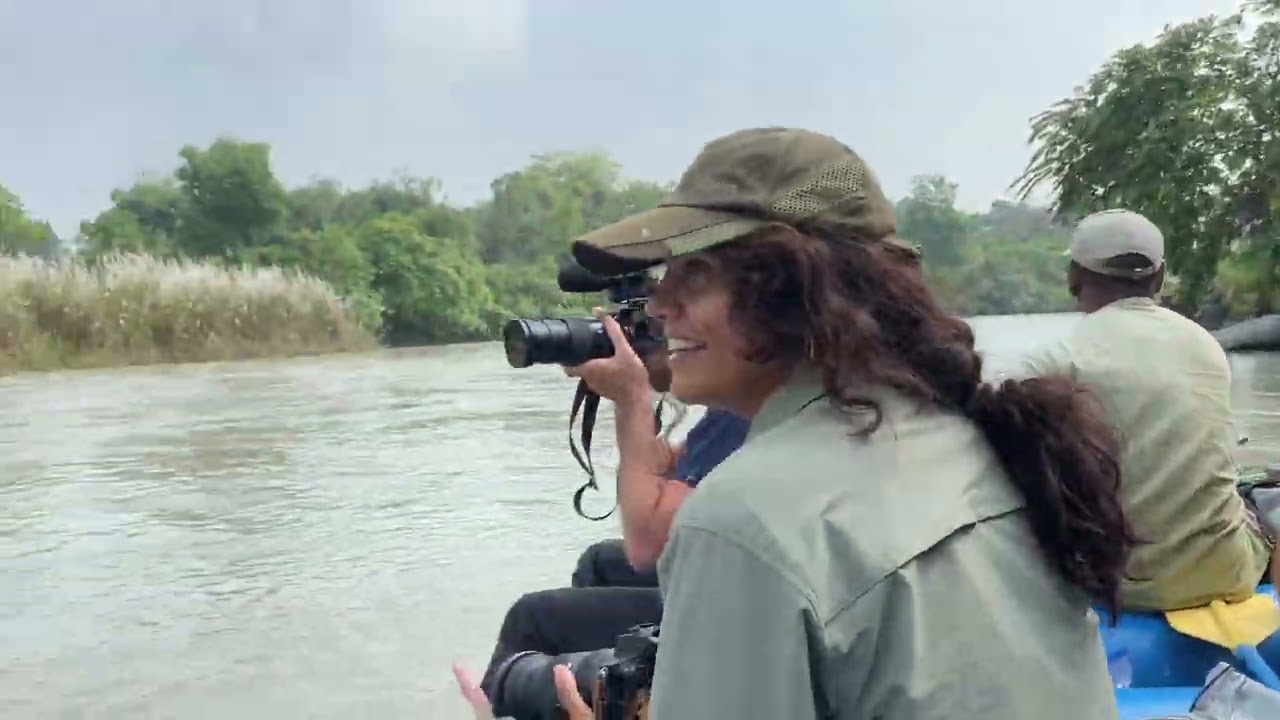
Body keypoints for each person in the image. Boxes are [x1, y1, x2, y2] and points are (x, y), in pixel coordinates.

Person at [460, 126, 1137, 720]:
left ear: (791, 288)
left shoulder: (744, 517)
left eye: (693, 277)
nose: (659, 304)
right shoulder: (969, 433)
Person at [475, 317, 749, 698]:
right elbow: (668, 464)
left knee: (533, 617)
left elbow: (647, 544)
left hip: (742, 609)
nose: (664, 320)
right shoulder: (748, 401)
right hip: (732, 574)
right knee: (600, 562)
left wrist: (632, 398)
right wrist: (639, 379)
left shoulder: (753, 410)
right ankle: (614, 688)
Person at [1021, 209, 1275, 612]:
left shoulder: (1052, 360)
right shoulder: (1205, 346)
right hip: (1223, 576)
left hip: (1114, 585)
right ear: (1158, 279)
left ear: (1074, 277)